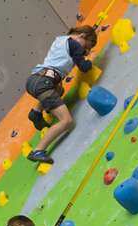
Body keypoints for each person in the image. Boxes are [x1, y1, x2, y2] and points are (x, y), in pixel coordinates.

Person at [25, 26, 97, 164]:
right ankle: (38, 151)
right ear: (81, 36)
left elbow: (76, 51)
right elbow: (84, 67)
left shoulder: (62, 40)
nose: (85, 51)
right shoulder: (76, 45)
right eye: (86, 47)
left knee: (59, 90)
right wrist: (91, 58)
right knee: (67, 121)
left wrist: (88, 43)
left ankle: (36, 112)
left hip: (34, 79)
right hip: (43, 84)